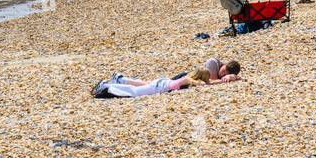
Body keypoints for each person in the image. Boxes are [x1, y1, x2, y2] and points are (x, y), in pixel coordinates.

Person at [99, 60, 243, 98]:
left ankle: (117, 81)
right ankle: (108, 86)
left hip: (162, 83)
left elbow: (208, 83)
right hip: (160, 86)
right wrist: (232, 79)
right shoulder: (188, 80)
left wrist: (232, 78)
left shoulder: (188, 78)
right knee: (134, 92)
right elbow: (208, 84)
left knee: (136, 91)